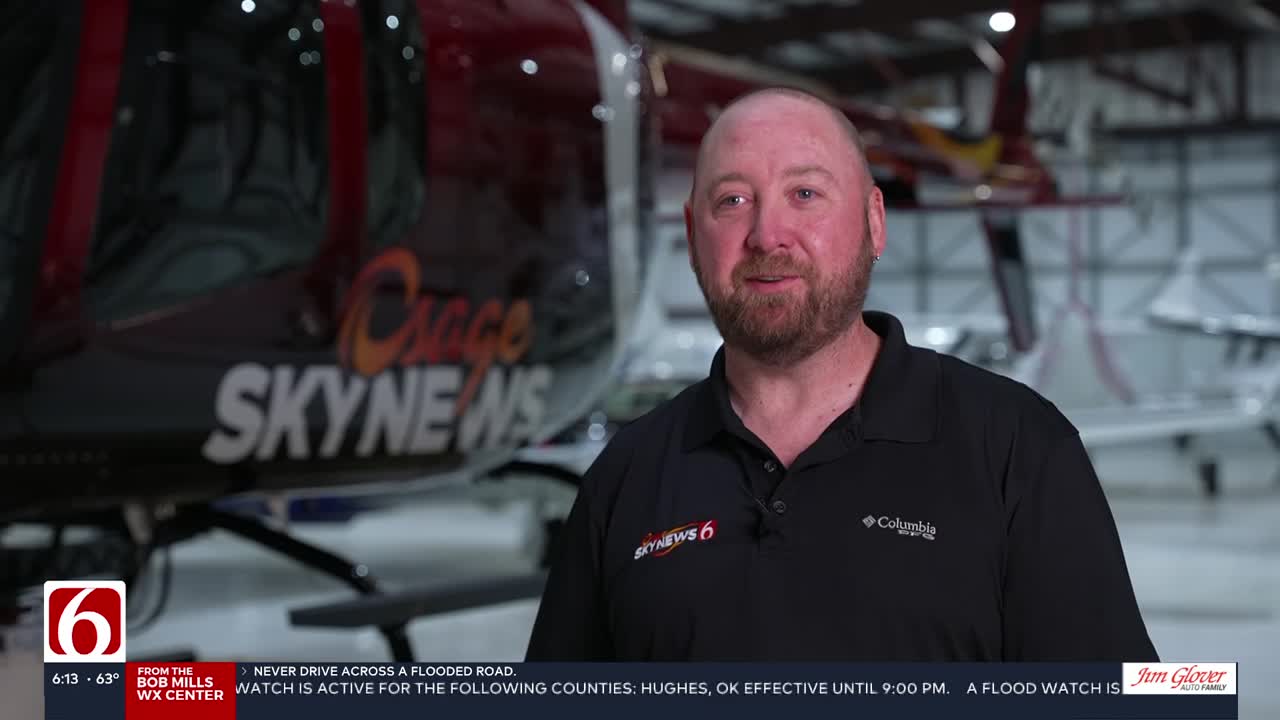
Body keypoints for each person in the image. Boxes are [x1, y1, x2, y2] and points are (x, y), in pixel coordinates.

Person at [524, 86, 1159, 662]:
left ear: (874, 223)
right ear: (693, 237)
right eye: (733, 200)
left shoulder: (1018, 449)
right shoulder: (627, 474)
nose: (768, 234)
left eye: (805, 194)